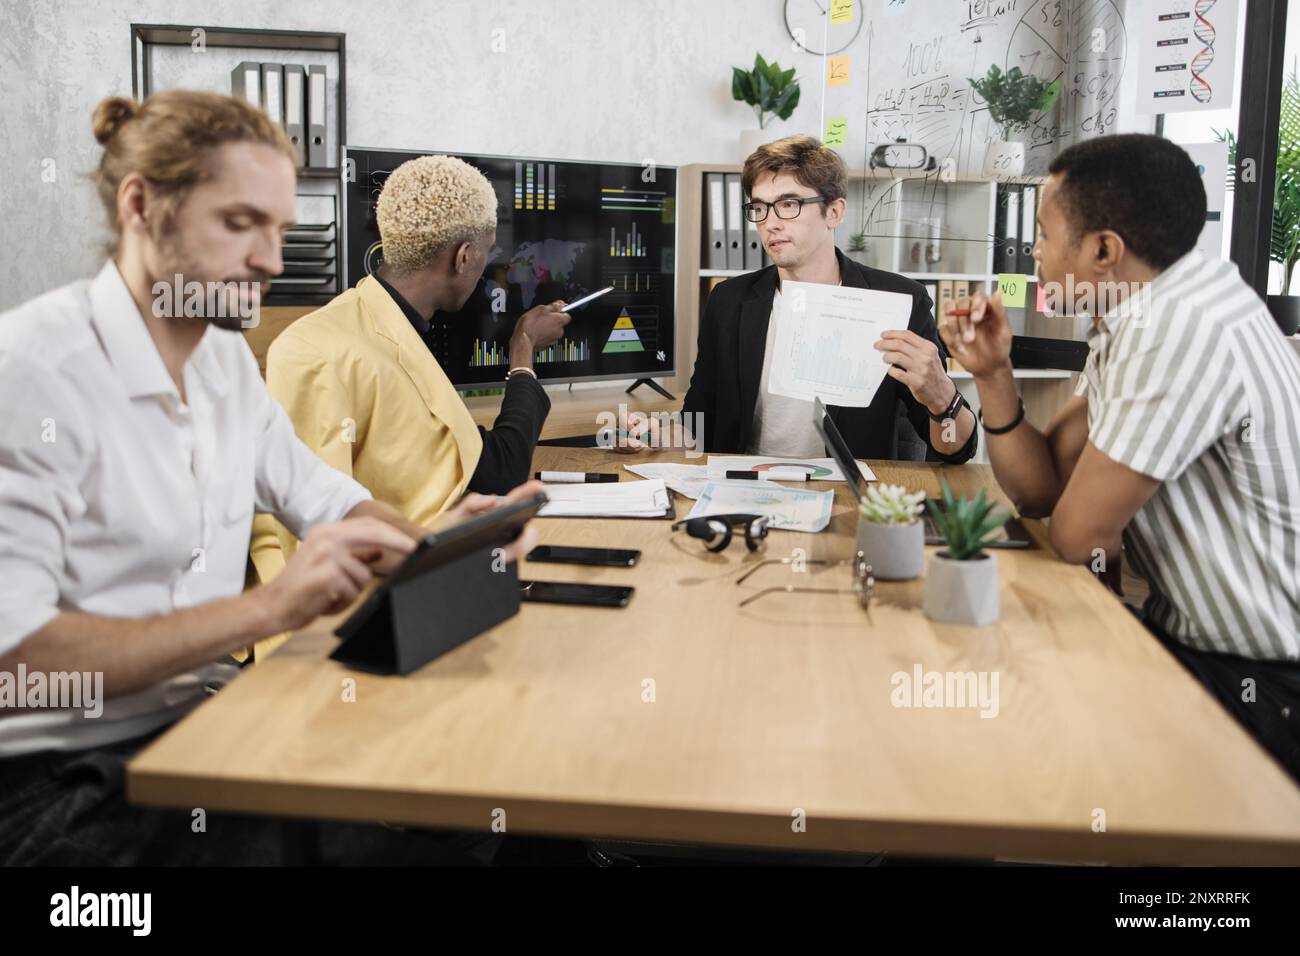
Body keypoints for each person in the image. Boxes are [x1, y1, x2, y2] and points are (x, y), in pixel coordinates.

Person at [0, 91, 539, 864]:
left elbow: (325, 498)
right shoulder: (32, 369)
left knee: (467, 823)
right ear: (141, 206)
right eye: (240, 223)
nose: (272, 261)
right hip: (45, 781)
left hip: (190, 726)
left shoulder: (220, 362)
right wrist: (271, 609)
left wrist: (442, 545)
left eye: (279, 229)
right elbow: (15, 655)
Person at [940, 133, 1300, 782]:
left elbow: (1078, 534)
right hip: (1195, 644)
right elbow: (1046, 488)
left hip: (1264, 688)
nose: (1035, 254)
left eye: (1045, 235)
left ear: (1104, 250)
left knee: (986, 719)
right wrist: (993, 374)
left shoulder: (1179, 328)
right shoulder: (1145, 308)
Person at [680, 135, 977, 462]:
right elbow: (699, 422)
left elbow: (953, 449)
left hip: (846, 496)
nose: (770, 223)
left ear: (833, 212)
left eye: (789, 204)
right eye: (759, 208)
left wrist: (941, 397)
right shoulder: (728, 300)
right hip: (747, 489)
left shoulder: (900, 302)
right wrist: (653, 433)